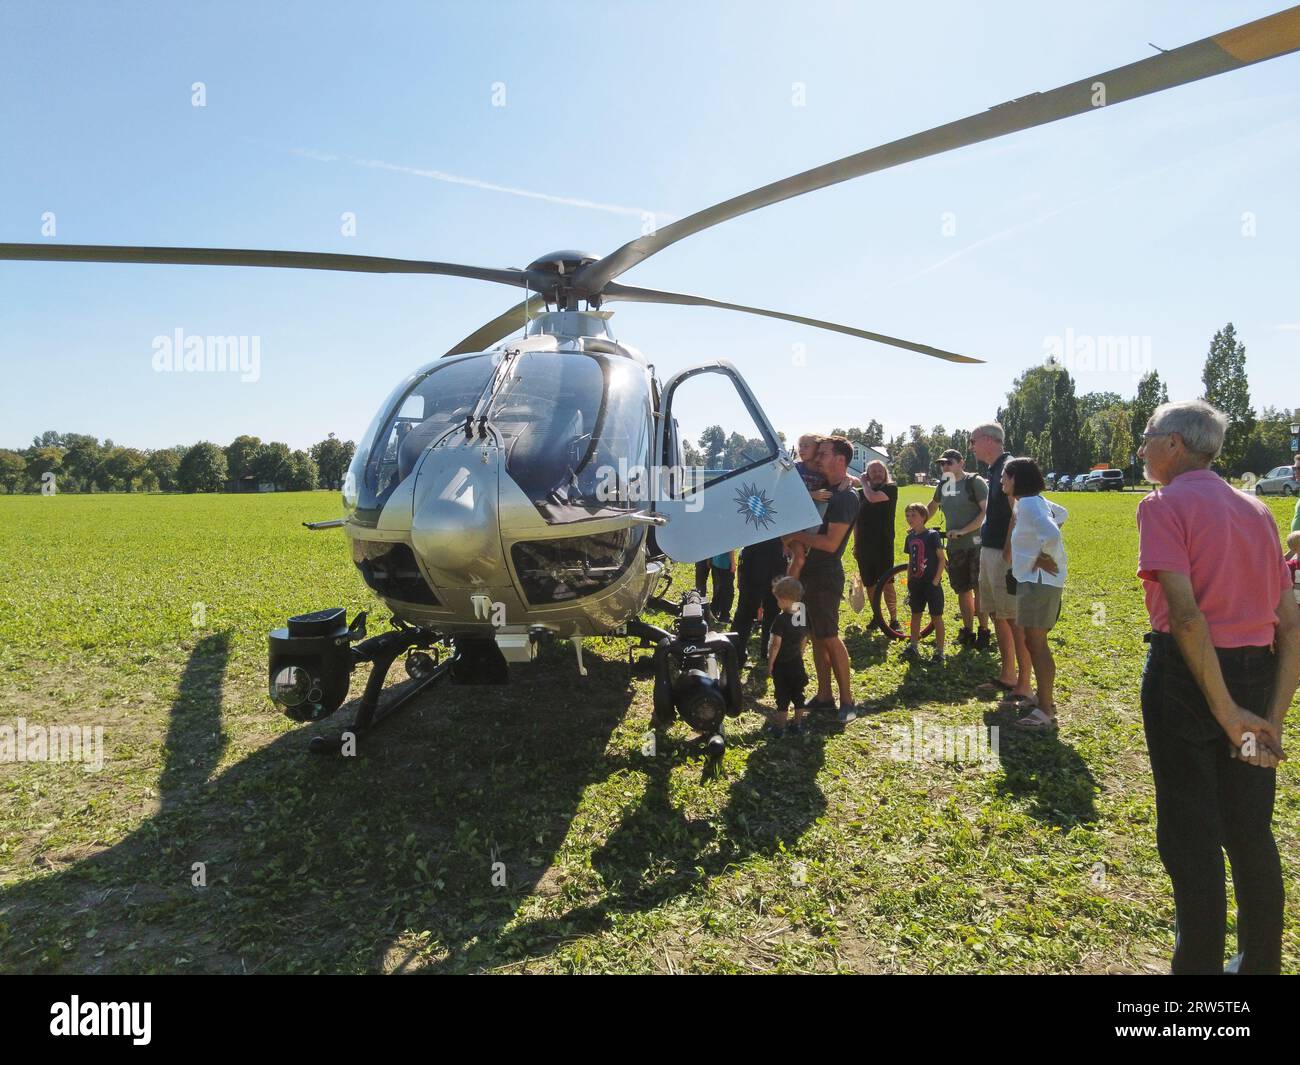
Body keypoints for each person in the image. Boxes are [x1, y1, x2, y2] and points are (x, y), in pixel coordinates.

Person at [1136, 399, 1300, 975]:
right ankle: (1259, 968)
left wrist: (1225, 711)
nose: (1141, 448)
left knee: (1191, 836)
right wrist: (1268, 718)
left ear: (1175, 444)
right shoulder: (1257, 511)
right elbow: (1291, 623)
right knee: (1251, 832)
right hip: (1257, 681)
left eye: (1148, 436)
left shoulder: (1161, 506)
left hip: (1186, 681)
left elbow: (1185, 617)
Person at [786, 436, 860, 722]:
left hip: (826, 575)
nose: (818, 458)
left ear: (840, 460)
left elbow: (830, 543)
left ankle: (848, 701)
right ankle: (825, 695)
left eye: (825, 454)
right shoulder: (828, 489)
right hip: (809, 573)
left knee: (829, 636)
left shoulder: (844, 497)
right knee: (816, 637)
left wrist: (795, 536)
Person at [1002, 457, 1067, 728]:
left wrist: (1044, 556)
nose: (1002, 481)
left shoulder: (1028, 505)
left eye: (1006, 476)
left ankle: (1045, 709)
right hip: (1034, 581)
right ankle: (1043, 699)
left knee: (1037, 644)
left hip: (1039, 582)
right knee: (1032, 641)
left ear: (1017, 478)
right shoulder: (1033, 502)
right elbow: (1062, 513)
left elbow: (1051, 534)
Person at [971, 422, 1032, 704]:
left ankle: (1023, 683)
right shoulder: (994, 469)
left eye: (973, 440)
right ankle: (1008, 674)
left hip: (1003, 555)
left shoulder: (1009, 467)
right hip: (991, 551)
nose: (970, 446)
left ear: (987, 440)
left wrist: (1009, 551)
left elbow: (1019, 513)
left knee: (1013, 617)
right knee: (999, 614)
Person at [926, 448, 989, 648]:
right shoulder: (945, 484)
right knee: (962, 590)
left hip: (976, 544)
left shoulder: (974, 482)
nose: (945, 466)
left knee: (979, 590)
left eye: (949, 462)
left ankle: (984, 631)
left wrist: (963, 530)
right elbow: (933, 506)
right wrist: (919, 524)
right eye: (942, 463)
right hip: (955, 547)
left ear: (961, 462)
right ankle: (968, 630)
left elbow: (985, 513)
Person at [853, 460, 899, 630]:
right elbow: (856, 522)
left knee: (887, 583)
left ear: (885, 473)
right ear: (867, 473)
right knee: (870, 584)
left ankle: (894, 620)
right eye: (873, 471)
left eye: (880, 471)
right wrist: (856, 544)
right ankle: (877, 616)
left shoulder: (890, 489)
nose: (878, 474)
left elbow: (872, 498)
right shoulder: (859, 493)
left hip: (883, 545)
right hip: (864, 546)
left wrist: (864, 482)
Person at [763, 576, 810, 737]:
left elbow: (776, 644)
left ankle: (780, 727)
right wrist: (800, 654)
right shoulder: (801, 614)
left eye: (777, 599)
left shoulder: (780, 620)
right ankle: (797, 724)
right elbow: (804, 638)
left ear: (783, 600)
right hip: (797, 663)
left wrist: (770, 663)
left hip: (782, 665)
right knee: (798, 694)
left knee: (782, 696)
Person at [732, 536, 786, 671]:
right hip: (756, 559)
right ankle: (737, 655)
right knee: (746, 611)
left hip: (772, 559)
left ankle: (767, 652)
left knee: (771, 610)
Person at [901, 503, 946, 663]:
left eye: (914, 515)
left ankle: (939, 651)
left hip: (931, 584)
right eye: (908, 515)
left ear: (924, 517)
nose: (910, 519)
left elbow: (942, 559)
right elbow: (910, 560)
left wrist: (935, 581)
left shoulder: (932, 535)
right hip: (916, 583)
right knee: (915, 615)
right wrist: (909, 580)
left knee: (936, 617)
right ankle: (913, 646)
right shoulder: (910, 537)